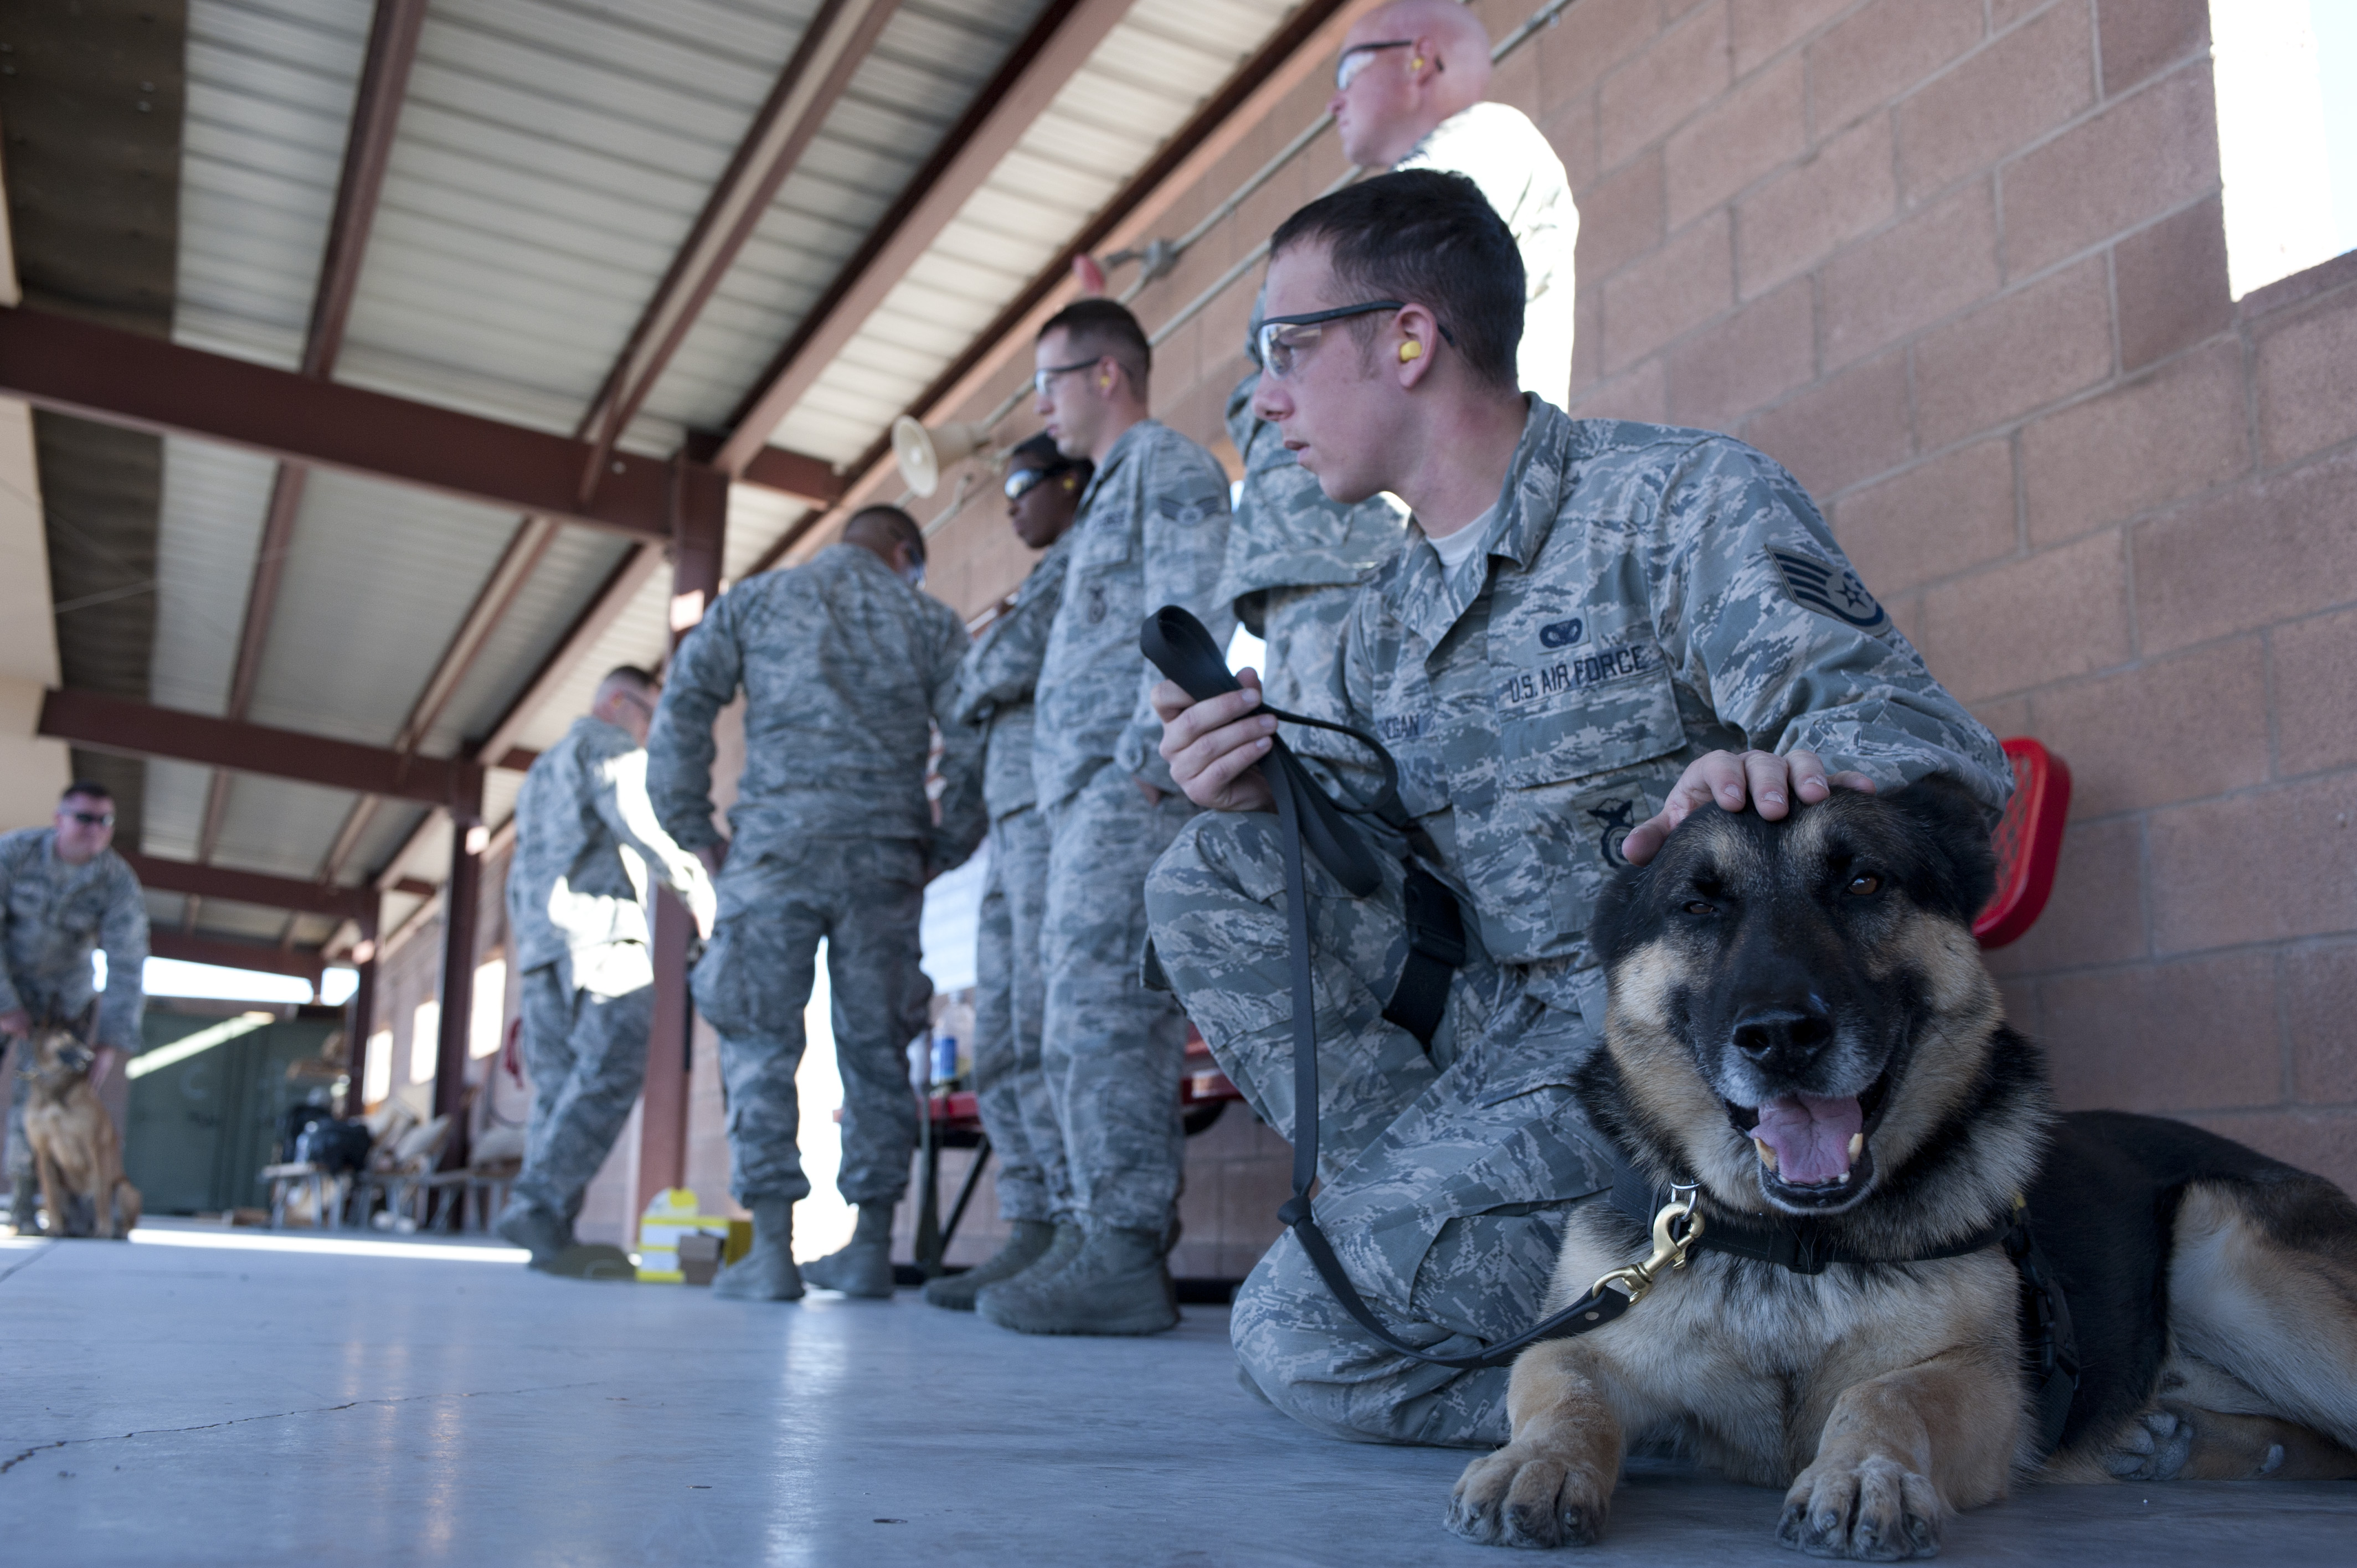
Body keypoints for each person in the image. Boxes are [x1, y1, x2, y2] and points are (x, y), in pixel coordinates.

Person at [1142, 170, 2012, 1446]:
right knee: (1206, 865)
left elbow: (1929, 746)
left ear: (1408, 337)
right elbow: (1402, 875)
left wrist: (1777, 778)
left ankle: (1663, 1400)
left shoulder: (1675, 505)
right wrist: (1261, 782)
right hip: (1504, 1038)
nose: (1265, 398)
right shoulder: (1388, 613)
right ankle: (1447, 1223)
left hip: (1670, 1046)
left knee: (1298, 1331)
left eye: (1287, 345)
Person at [1215, 0, 1579, 777]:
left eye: (1350, 71)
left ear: (1422, 60)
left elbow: (1367, 272)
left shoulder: (1484, 140)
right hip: (1352, 555)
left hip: (1381, 542)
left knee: (1358, 799)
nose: (1333, 101)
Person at [971, 298, 1233, 1337]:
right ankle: (1090, 1233)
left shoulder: (1164, 468)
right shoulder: (1108, 499)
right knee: (1069, 1021)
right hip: (1079, 795)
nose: (1041, 405)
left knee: (1107, 1015)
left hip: (1127, 790)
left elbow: (1188, 613)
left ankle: (1123, 1250)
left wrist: (1141, 765)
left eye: (1050, 382)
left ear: (1107, 377)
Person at [648, 505, 984, 1301]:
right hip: (884, 857)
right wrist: (947, 841)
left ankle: (770, 1252)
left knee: (760, 1042)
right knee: (876, 1046)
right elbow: (973, 735)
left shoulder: (759, 599)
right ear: (907, 555)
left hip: (773, 852)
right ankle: (868, 1247)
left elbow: (684, 704)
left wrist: (693, 830)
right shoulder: (929, 619)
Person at [923, 435, 1091, 1312]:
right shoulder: (1041, 578)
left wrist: (980, 675)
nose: (1012, 503)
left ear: (1070, 483)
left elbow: (997, 667)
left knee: (1048, 1029)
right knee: (1006, 1040)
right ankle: (1032, 1225)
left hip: (1052, 819)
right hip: (1008, 826)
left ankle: (1076, 1227)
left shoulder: (1084, 559)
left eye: (1023, 485)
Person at [495, 667, 716, 1270]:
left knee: (557, 1091)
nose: (650, 735)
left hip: (542, 947)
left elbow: (519, 874)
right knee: (611, 1070)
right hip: (597, 933)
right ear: (619, 703)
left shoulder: (541, 770)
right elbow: (640, 824)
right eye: (649, 717)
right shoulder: (607, 747)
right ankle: (539, 1206)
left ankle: (549, 1232)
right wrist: (700, 890)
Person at [1, 781, 148, 1234]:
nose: (95, 829)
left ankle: (28, 1208)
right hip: (6, 980)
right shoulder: (15, 853)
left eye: (105, 821)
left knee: (42, 1100)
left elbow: (128, 961)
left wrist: (110, 1041)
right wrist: (6, 1004)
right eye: (84, 817)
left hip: (63, 1007)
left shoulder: (116, 879)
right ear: (58, 818)